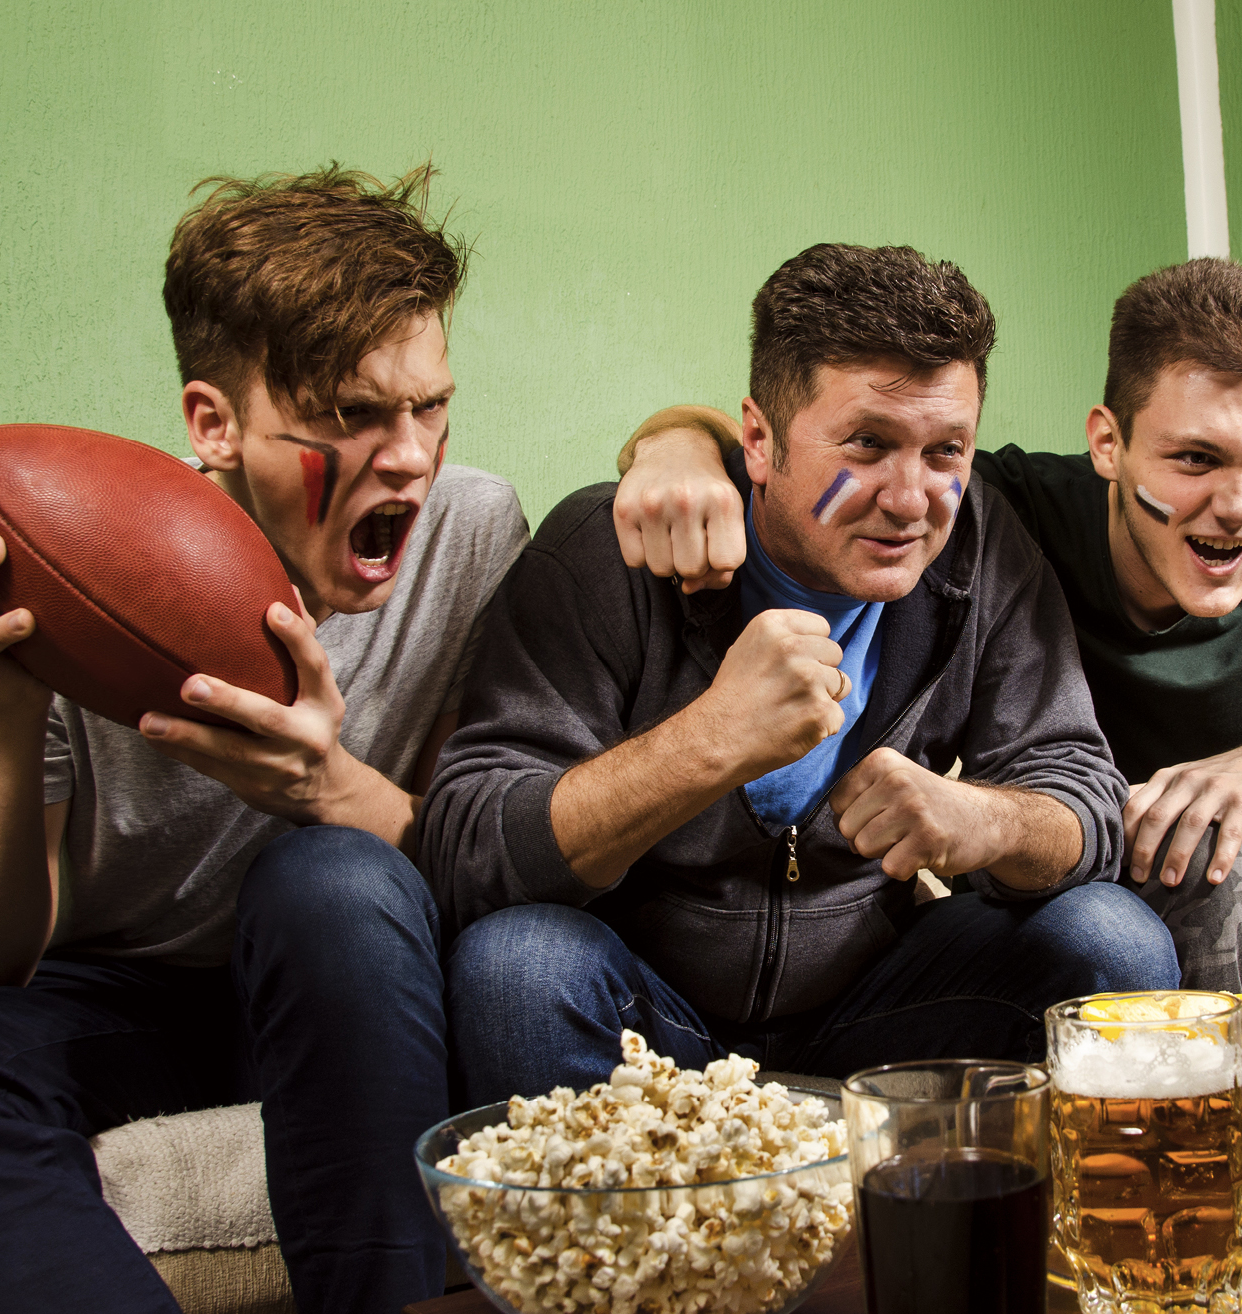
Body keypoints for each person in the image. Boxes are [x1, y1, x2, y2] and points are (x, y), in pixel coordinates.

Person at [0, 165, 528, 1314]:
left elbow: (464, 868)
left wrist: (324, 784)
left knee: (334, 877)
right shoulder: (59, 566)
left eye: (428, 406)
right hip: (126, 997)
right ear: (213, 422)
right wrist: (13, 707)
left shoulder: (471, 531)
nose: (410, 454)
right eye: (352, 414)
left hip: (351, 988)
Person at [613, 257, 1242, 1053]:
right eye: (1194, 460)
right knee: (1198, 855)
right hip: (1088, 893)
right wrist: (675, 445)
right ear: (1109, 444)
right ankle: (1216, 1177)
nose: (1241, 506)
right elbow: (807, 440)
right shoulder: (1001, 515)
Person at [421, 242, 1178, 1102]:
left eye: (944, 452)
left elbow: (1084, 796)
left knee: (1115, 943)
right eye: (866, 444)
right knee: (515, 966)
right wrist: (706, 744)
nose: (911, 498)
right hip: (650, 1012)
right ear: (757, 439)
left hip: (875, 1005)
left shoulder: (980, 549)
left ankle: (1040, 1232)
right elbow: (469, 849)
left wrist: (987, 820)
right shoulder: (609, 552)